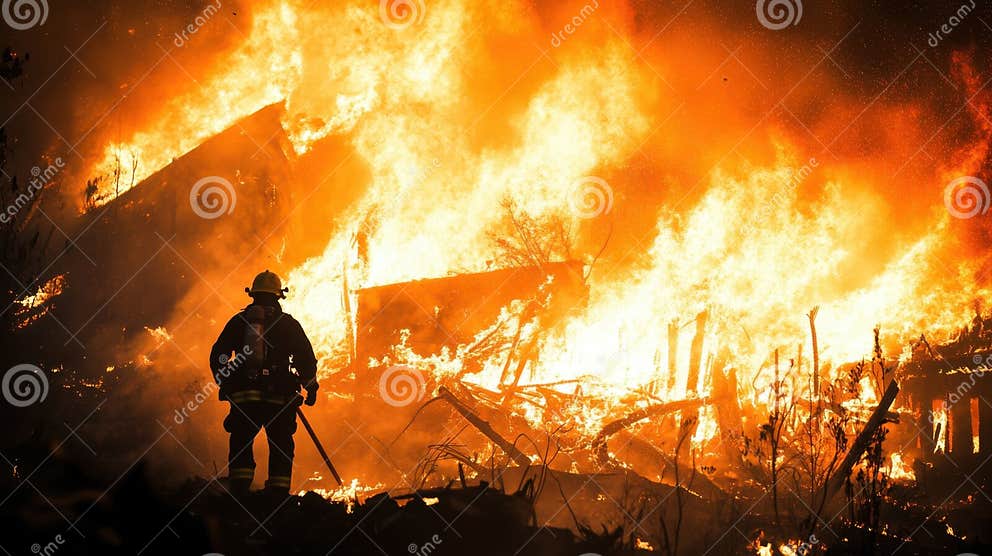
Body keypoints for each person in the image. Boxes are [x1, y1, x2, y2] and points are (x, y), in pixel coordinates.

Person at [210, 270, 318, 496]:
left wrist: (226, 380)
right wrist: (311, 387)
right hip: (279, 399)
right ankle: (278, 495)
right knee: (281, 444)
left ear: (253, 294)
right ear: (279, 296)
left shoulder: (238, 322)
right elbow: (305, 358)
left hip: (244, 398)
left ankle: (239, 491)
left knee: (241, 442)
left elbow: (219, 354)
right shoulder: (288, 324)